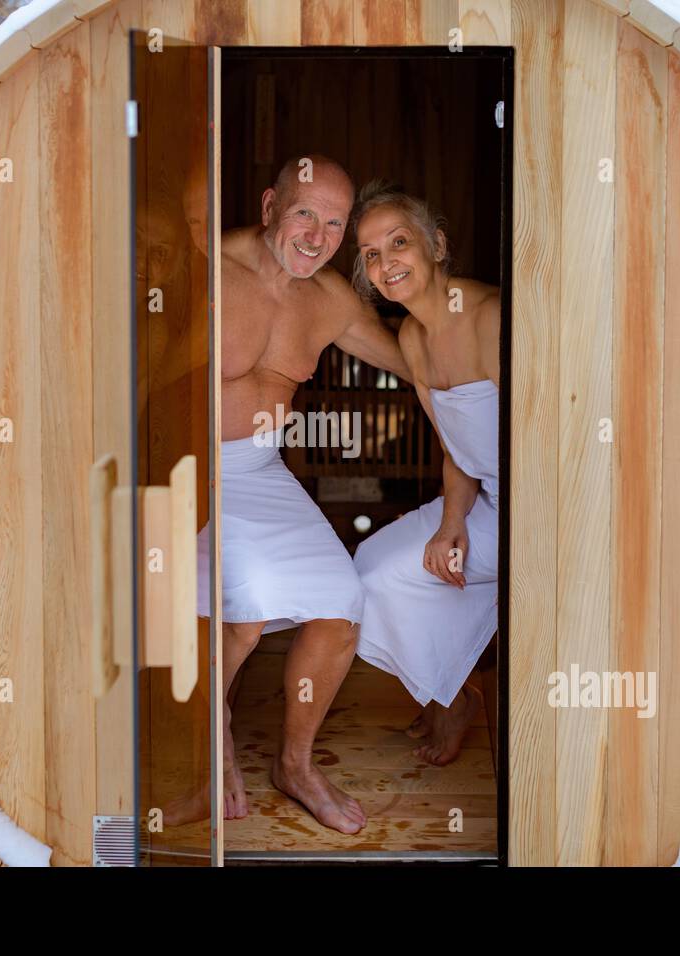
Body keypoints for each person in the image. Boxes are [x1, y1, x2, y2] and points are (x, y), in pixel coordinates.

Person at [173, 155, 410, 835]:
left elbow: (412, 359)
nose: (317, 235)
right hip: (190, 469)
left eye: (335, 224)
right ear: (271, 202)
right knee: (242, 614)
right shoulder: (204, 268)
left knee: (341, 604)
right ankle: (205, 753)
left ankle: (296, 766)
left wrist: (484, 343)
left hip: (260, 470)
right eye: (306, 212)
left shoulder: (331, 299)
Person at [351, 181, 500, 766]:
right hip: (485, 503)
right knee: (368, 571)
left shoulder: (489, 317)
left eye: (399, 242)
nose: (386, 263)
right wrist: (451, 523)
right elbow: (454, 447)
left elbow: (544, 448)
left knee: (404, 576)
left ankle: (451, 697)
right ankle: (453, 691)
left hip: (550, 515)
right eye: (370, 254)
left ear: (437, 245)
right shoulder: (412, 336)